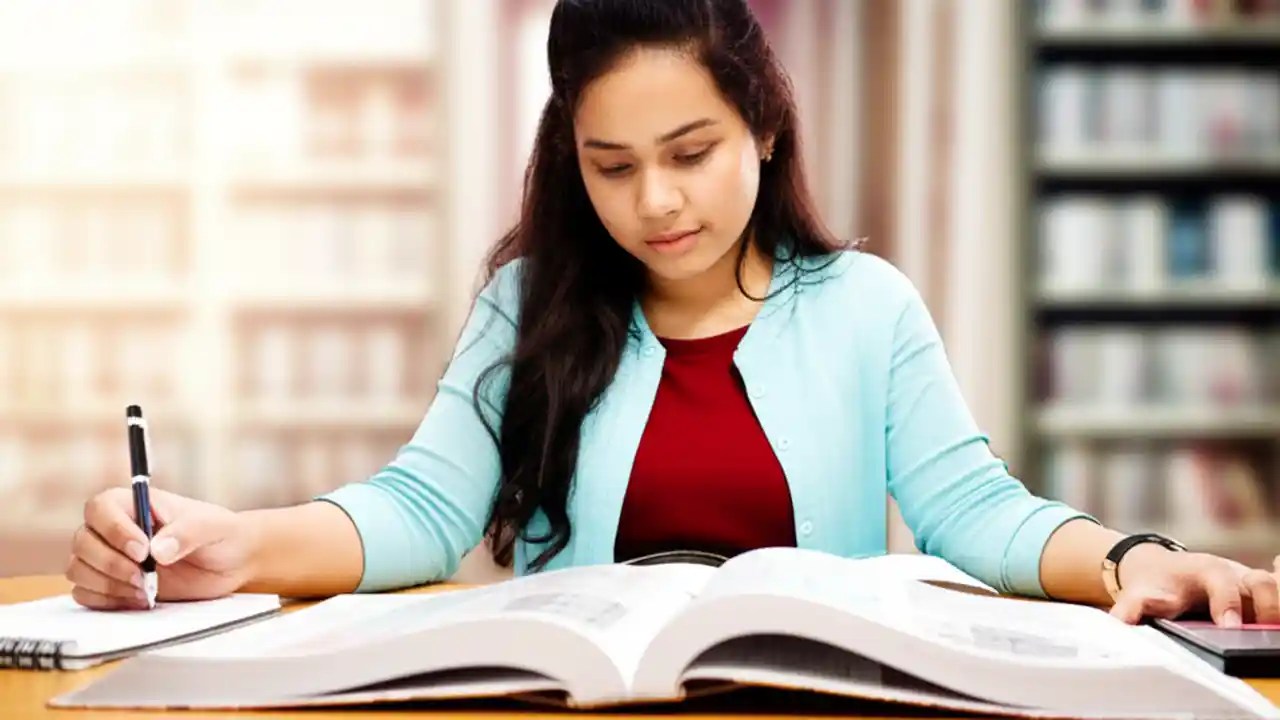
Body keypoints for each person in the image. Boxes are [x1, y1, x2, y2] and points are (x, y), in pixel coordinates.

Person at [67, 0, 1278, 627]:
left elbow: (976, 511)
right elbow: (423, 509)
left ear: (761, 121)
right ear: (571, 158)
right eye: (610, 164)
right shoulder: (530, 303)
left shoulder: (864, 307)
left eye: (691, 151)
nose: (655, 201)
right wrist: (230, 546)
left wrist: (1139, 558)